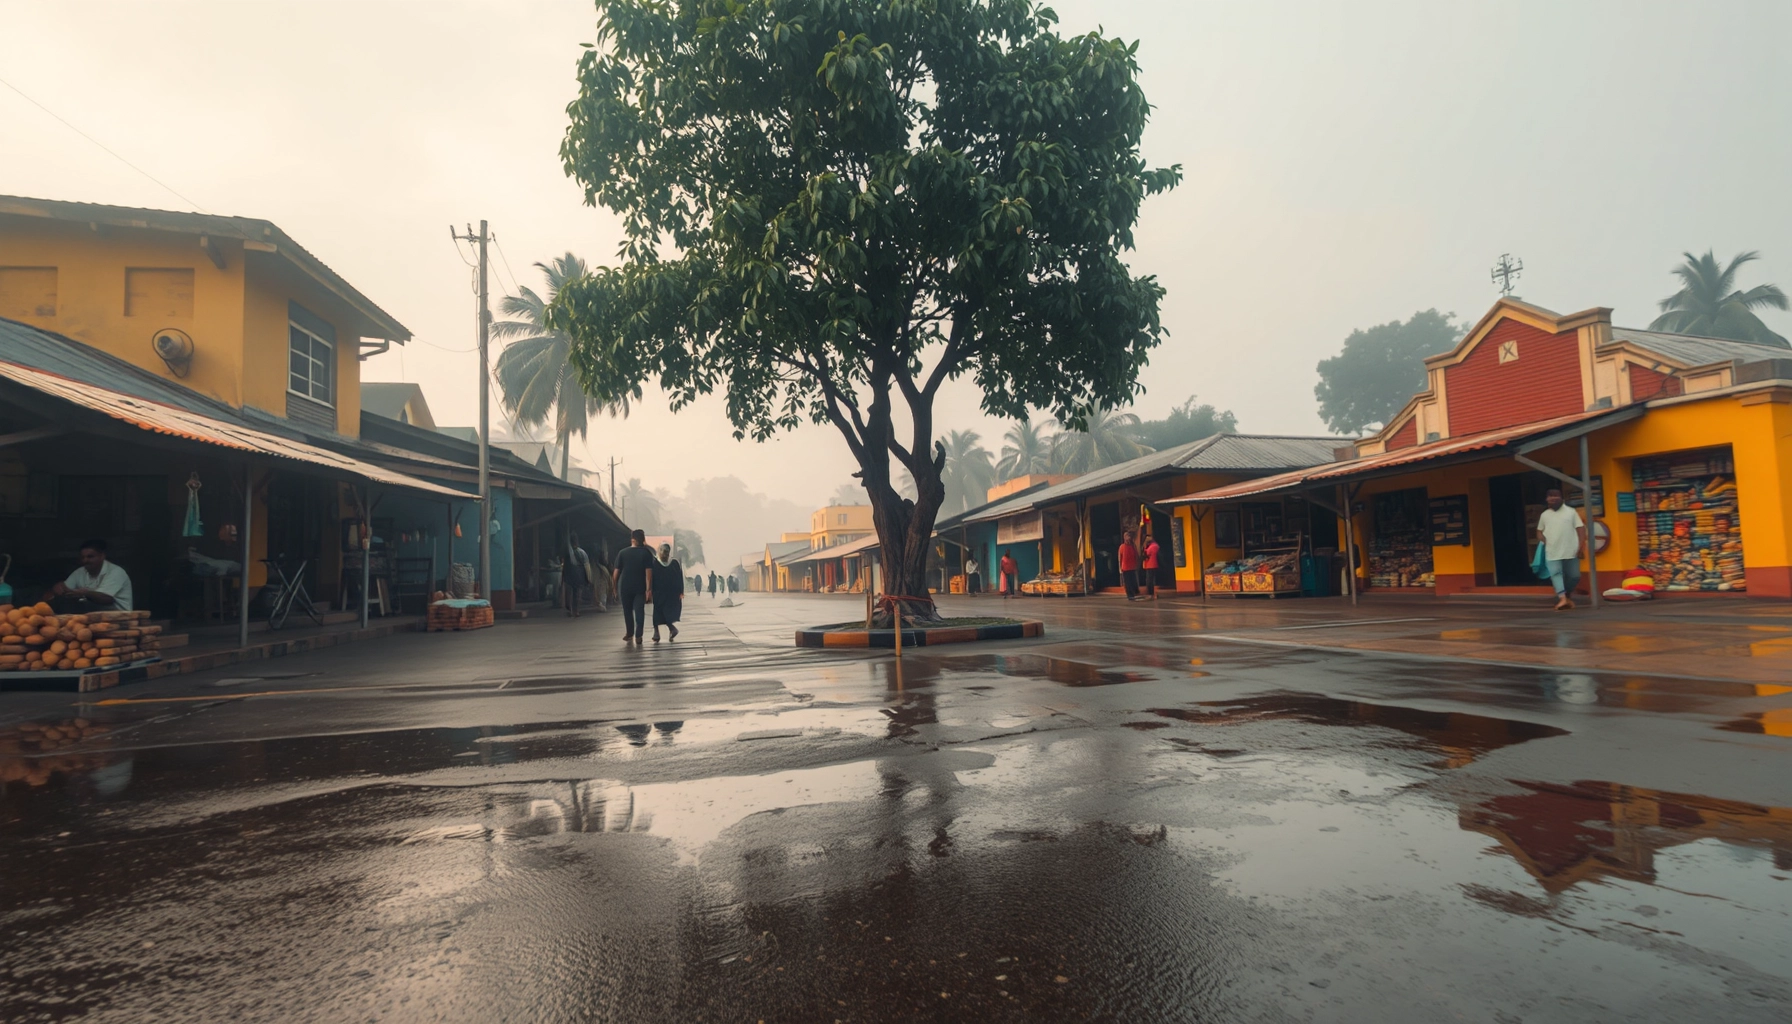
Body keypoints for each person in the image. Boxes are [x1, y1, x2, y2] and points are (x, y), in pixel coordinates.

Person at [1536, 488, 1587, 611]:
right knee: (1556, 574)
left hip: (1571, 550)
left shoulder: (1571, 512)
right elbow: (1539, 532)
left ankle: (1566, 593)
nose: (1553, 498)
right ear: (1547, 499)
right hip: (1552, 552)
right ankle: (1562, 598)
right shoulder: (1544, 515)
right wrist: (1544, 540)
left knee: (1574, 576)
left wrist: (1581, 545)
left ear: (1562, 499)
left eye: (1556, 496)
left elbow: (1580, 529)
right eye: (1550, 496)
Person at [49, 538, 133, 613]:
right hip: (95, 618)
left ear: (102, 556)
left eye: (90, 557)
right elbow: (64, 589)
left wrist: (85, 593)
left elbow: (106, 599)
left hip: (120, 618)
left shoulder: (116, 572)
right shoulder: (80, 572)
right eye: (83, 557)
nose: (85, 560)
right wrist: (58, 589)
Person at [612, 529, 654, 644]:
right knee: (639, 611)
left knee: (627, 610)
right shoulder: (646, 553)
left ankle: (629, 633)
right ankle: (638, 635)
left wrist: (614, 587)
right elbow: (648, 574)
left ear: (632, 539)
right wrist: (648, 589)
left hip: (625, 587)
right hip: (640, 588)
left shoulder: (622, 553)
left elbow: (616, 573)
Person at [649, 543, 683, 642]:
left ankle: (672, 629)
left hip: (672, 594)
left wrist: (681, 591)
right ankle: (657, 633)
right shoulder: (654, 563)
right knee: (657, 612)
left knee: (668, 613)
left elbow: (679, 578)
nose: (664, 554)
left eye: (666, 552)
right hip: (658, 592)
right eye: (662, 551)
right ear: (658, 551)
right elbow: (650, 578)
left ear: (669, 553)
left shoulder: (674, 563)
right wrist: (649, 590)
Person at [564, 533, 591, 618]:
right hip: (579, 576)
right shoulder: (582, 552)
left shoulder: (567, 553)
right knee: (577, 594)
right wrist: (589, 578)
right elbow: (587, 567)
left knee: (569, 593)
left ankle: (570, 610)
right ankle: (576, 611)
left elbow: (564, 565)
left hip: (568, 576)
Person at [1118, 529, 1141, 601]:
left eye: (1129, 536)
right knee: (1128, 582)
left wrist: (1137, 564)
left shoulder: (1133, 546)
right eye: (1126, 536)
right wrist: (1120, 568)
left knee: (1133, 581)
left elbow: (1136, 556)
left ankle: (1134, 593)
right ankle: (1130, 595)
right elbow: (1120, 558)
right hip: (1125, 567)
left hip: (1132, 567)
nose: (1128, 538)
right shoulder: (1122, 546)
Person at [1141, 532, 1161, 601]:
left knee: (1150, 580)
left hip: (1151, 565)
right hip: (1150, 565)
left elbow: (1146, 554)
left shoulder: (1153, 546)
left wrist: (1145, 546)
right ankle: (1151, 593)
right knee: (1150, 580)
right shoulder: (1151, 546)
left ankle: (1151, 593)